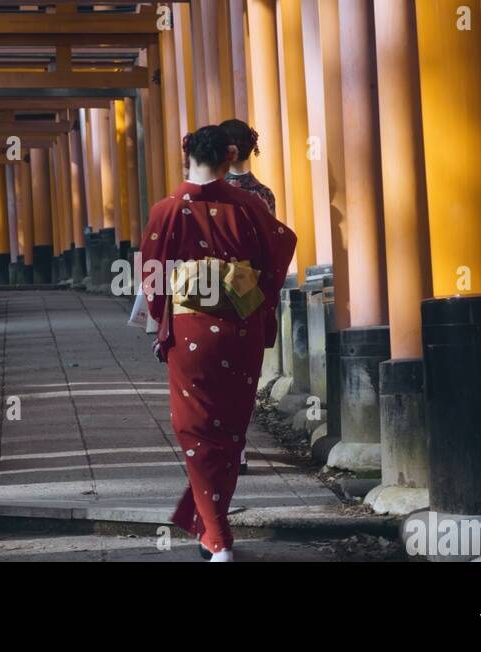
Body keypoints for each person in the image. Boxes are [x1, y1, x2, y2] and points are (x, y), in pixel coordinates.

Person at [139, 126, 296, 561]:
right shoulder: (248, 205)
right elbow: (280, 250)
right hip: (239, 329)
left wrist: (162, 323)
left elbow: (152, 279)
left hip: (192, 330)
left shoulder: (167, 210)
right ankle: (211, 532)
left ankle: (219, 540)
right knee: (228, 434)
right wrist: (256, 302)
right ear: (230, 158)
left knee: (195, 431)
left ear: (186, 153)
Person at [220, 118, 278, 475]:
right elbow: (272, 244)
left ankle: (222, 444)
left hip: (214, 285)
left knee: (215, 372)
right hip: (250, 286)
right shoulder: (263, 194)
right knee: (244, 373)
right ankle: (238, 445)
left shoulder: (210, 194)